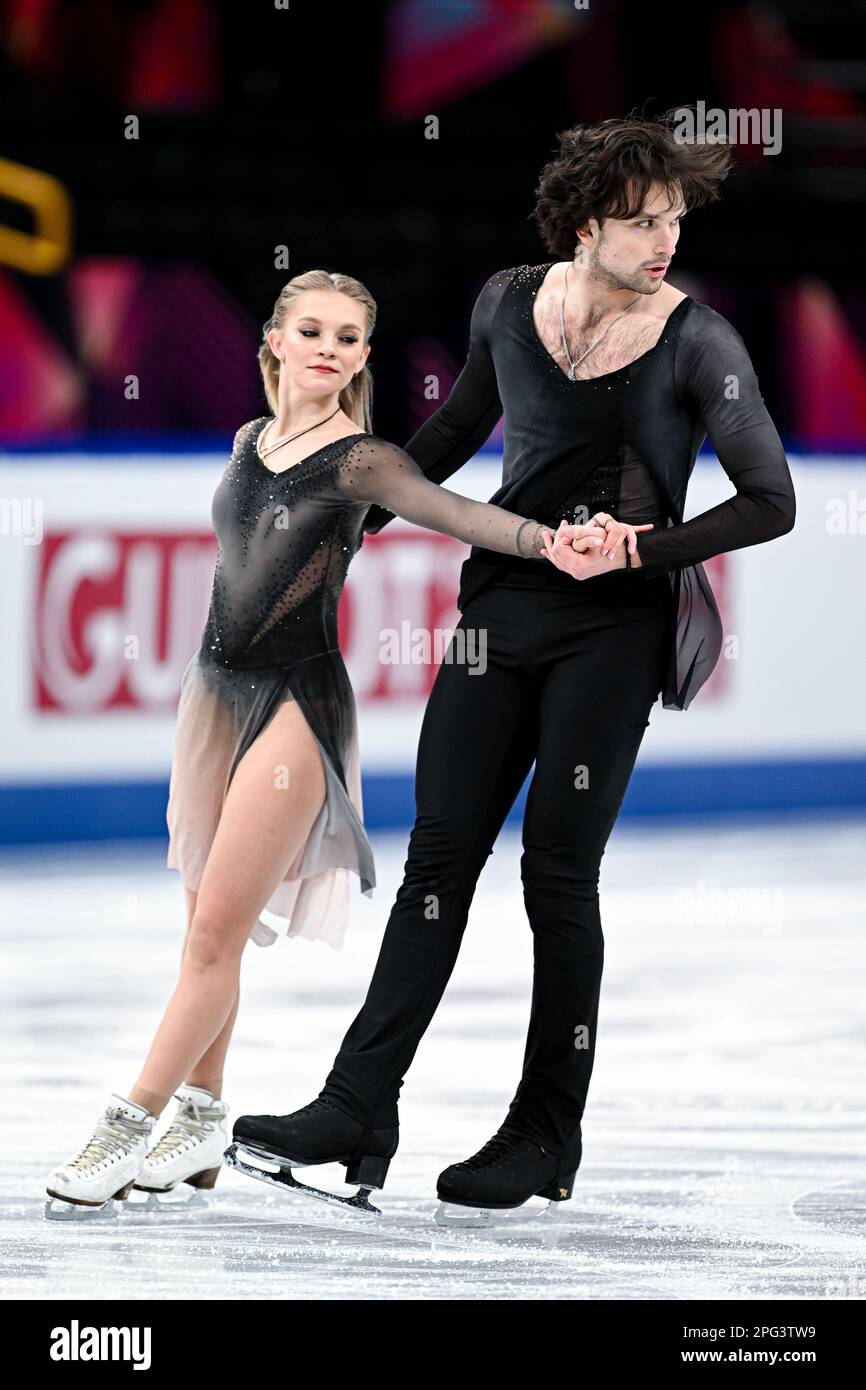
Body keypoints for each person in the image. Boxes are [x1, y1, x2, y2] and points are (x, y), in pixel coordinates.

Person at [231, 110, 796, 1216]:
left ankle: (544, 1130)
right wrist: (350, 520)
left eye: (672, 221)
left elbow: (769, 500)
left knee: (554, 875)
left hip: (615, 628)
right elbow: (448, 443)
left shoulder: (699, 340)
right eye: (640, 223)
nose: (662, 240)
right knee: (438, 857)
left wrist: (644, 545)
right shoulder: (505, 302)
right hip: (500, 608)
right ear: (584, 224)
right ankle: (358, 1104)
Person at [43, 267, 611, 1220]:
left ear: (362, 360)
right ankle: (199, 1124)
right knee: (203, 937)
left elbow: (457, 512)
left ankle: (126, 1126)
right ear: (272, 340)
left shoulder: (361, 461)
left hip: (294, 710)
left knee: (217, 934)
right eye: (311, 330)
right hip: (212, 697)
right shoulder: (248, 441)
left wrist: (548, 539)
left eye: (348, 339)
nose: (329, 349)